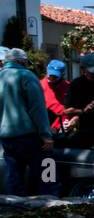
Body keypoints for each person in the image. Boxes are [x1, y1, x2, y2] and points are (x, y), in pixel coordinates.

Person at [1, 47, 52, 195]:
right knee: (48, 170)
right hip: (29, 135)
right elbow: (38, 109)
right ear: (21, 61)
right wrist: (46, 135)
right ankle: (52, 203)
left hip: (6, 138)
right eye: (26, 62)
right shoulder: (26, 76)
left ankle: (15, 212)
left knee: (14, 178)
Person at [40, 58, 79, 135]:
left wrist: (73, 120)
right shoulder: (39, 86)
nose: (52, 78)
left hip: (65, 130)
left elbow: (78, 109)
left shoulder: (69, 87)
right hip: (45, 131)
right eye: (50, 75)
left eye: (55, 76)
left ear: (62, 74)